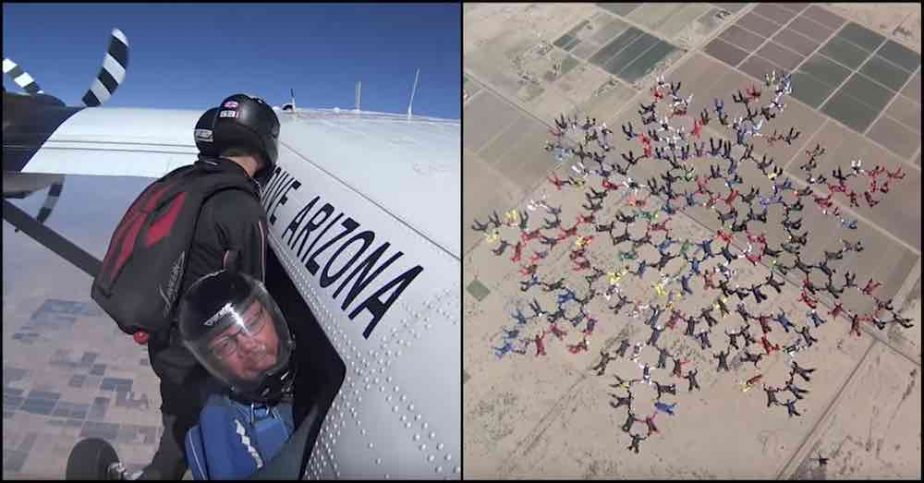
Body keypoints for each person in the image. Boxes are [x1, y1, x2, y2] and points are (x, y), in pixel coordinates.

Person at [141, 94, 280, 479]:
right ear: (264, 142)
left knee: (177, 423)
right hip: (202, 358)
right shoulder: (241, 206)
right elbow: (253, 295)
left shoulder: (187, 182)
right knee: (203, 437)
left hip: (164, 342)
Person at [178, 270, 296, 479]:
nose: (248, 345)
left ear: (271, 315)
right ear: (215, 363)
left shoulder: (322, 346)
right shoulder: (222, 426)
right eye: (225, 346)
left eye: (252, 324)